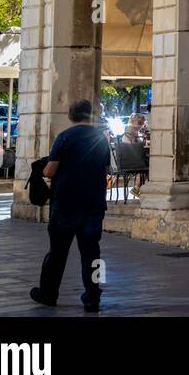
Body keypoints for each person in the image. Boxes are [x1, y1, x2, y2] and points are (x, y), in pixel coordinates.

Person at [31, 99, 111, 313]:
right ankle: (93, 297)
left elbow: (50, 171)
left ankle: (48, 293)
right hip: (93, 203)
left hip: (66, 204)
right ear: (90, 114)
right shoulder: (101, 138)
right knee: (92, 253)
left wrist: (43, 168)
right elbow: (105, 170)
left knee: (57, 253)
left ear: (71, 115)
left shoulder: (64, 137)